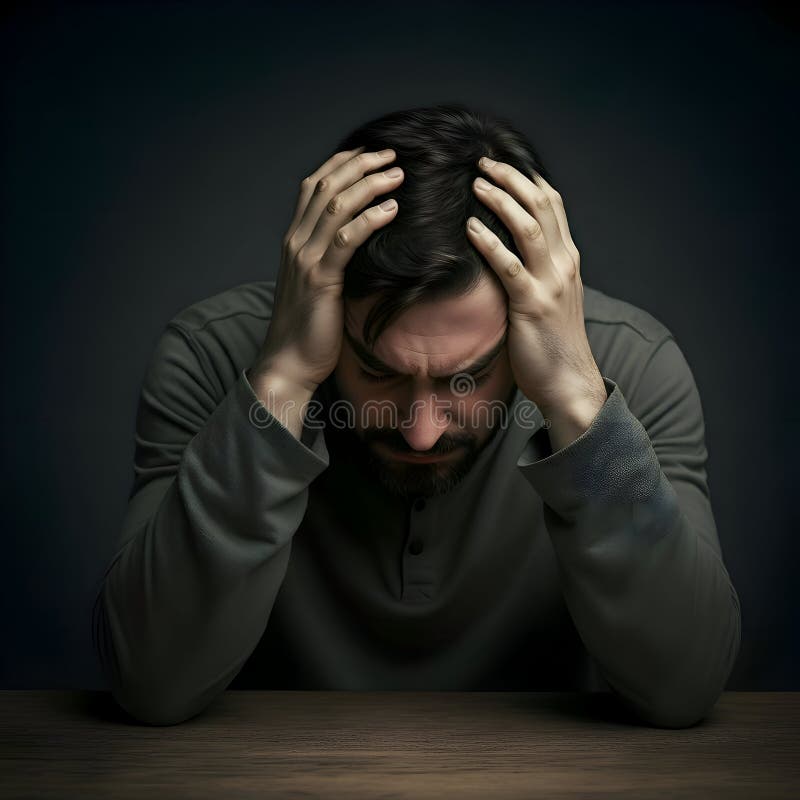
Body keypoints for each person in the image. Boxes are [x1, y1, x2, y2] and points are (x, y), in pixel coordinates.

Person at [92, 103, 741, 728]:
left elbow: (682, 688)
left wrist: (575, 398)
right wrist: (283, 378)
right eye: (378, 371)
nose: (421, 430)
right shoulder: (213, 358)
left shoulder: (634, 364)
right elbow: (151, 682)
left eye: (471, 375)